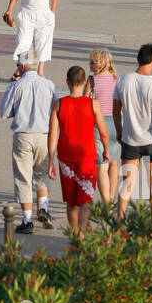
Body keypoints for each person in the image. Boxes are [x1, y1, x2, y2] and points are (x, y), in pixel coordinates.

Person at [48, 65, 110, 235]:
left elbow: (53, 135)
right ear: (84, 82)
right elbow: (104, 133)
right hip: (87, 158)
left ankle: (74, 234)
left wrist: (51, 162)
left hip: (65, 159)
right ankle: (82, 234)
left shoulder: (59, 104)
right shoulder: (93, 104)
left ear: (67, 82)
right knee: (85, 199)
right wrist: (106, 150)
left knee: (71, 201)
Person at [114, 43, 152, 218]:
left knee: (127, 185)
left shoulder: (123, 80)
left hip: (130, 139)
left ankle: (119, 221)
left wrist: (119, 131)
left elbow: (116, 109)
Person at [0, 59, 57, 232]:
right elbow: (56, 109)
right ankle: (44, 208)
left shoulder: (16, 86)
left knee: (23, 177)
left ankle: (27, 219)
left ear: (22, 67)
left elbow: (4, 112)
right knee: (42, 174)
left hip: (23, 135)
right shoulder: (48, 85)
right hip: (44, 134)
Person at [85, 50, 120, 205]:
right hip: (117, 121)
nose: (90, 64)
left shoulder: (92, 80)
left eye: (93, 62)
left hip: (99, 124)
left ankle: (107, 204)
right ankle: (111, 197)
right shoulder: (116, 79)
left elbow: (85, 103)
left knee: (102, 165)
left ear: (101, 63)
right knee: (113, 162)